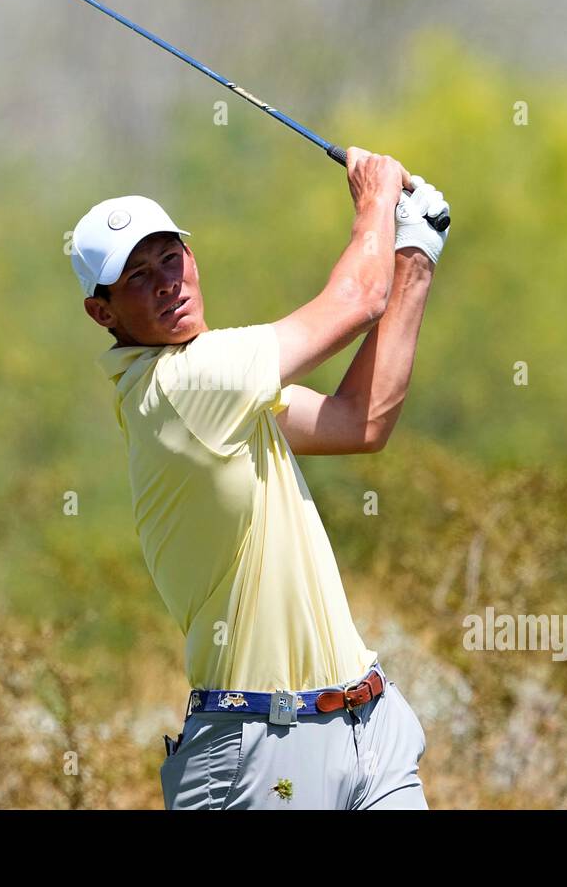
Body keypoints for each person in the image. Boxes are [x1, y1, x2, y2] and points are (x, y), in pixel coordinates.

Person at [72, 147, 449, 809]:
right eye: (136, 276)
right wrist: (376, 197)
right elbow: (357, 299)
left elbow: (359, 423)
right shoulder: (186, 384)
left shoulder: (223, 391)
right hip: (260, 753)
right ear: (102, 314)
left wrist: (412, 256)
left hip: (371, 725)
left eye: (171, 256)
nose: (166, 281)